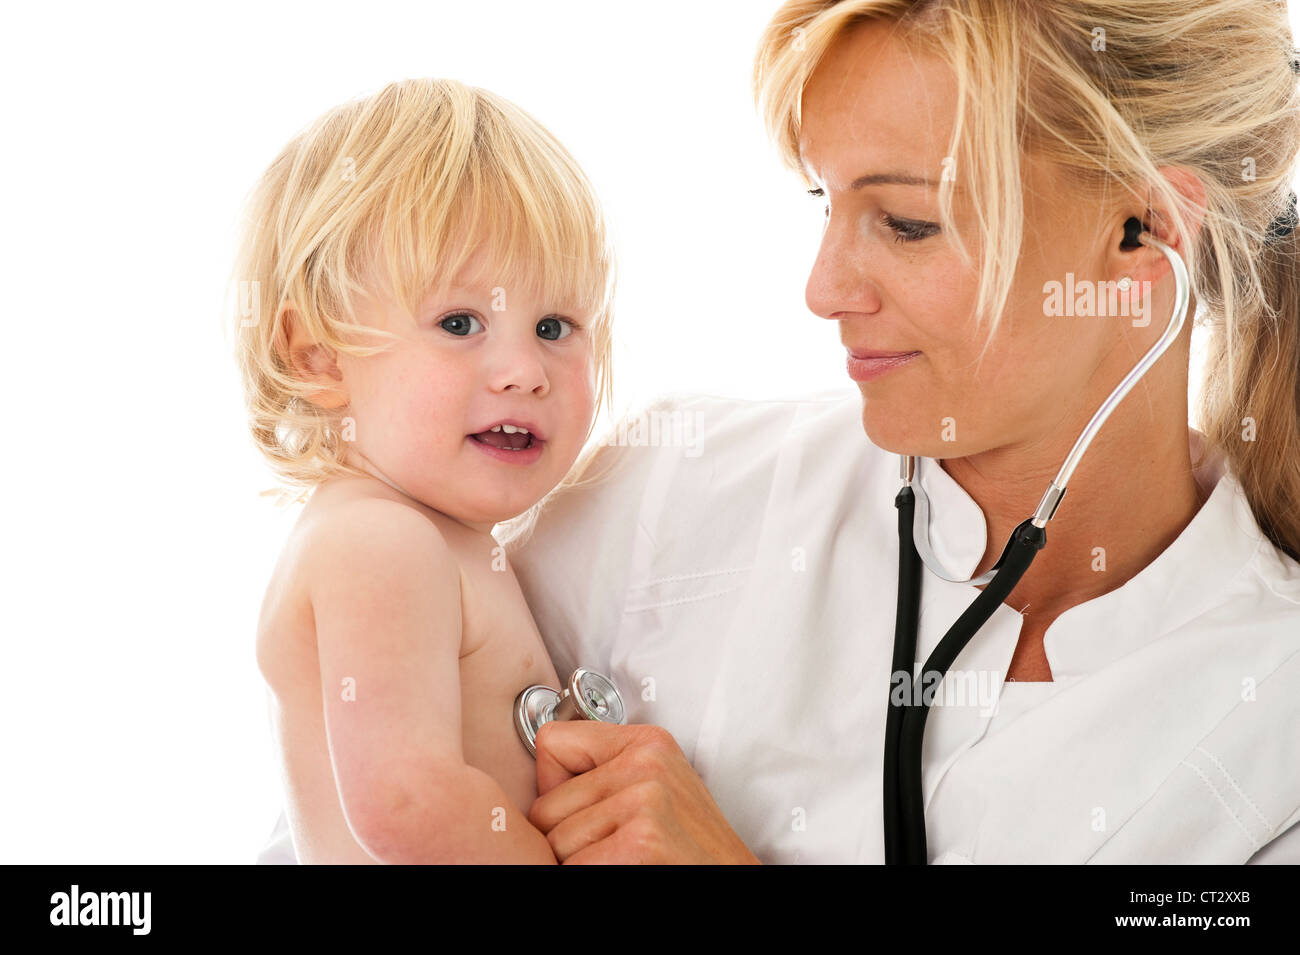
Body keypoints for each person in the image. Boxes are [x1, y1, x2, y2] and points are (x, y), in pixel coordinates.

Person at [502, 0, 1300, 863]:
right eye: (826, 201)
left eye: (907, 223)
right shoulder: (669, 492)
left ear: (1146, 233)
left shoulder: (1274, 724)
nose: (824, 287)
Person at [233, 77, 618, 863]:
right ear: (318, 355)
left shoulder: (433, 537)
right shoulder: (379, 541)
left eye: (554, 325)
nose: (523, 371)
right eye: (459, 323)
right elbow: (406, 802)